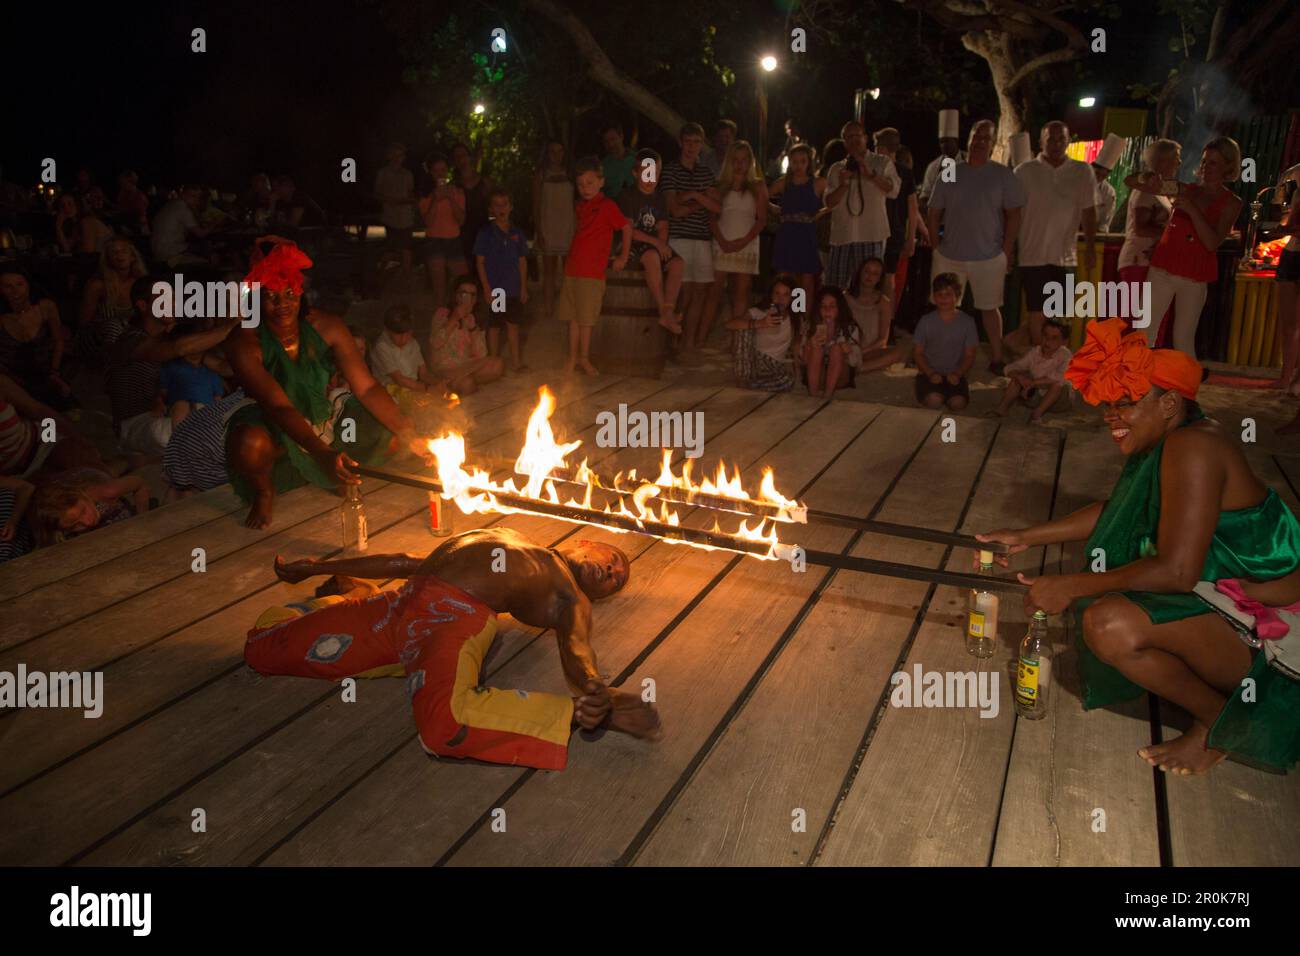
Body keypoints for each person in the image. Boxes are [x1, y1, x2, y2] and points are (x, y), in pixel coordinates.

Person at [978, 318, 1300, 774]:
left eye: (1126, 403)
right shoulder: (1175, 436)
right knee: (1110, 613)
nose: (1111, 416)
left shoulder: (1194, 447)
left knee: (1107, 623)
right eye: (1109, 403)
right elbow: (1123, 510)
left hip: (1280, 635)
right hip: (1232, 604)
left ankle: (1219, 724)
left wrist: (1069, 585)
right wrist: (1023, 536)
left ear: (1169, 403)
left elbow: (1177, 572)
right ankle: (1218, 705)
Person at [259, 527, 659, 771]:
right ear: (584, 541)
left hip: (452, 619)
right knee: (263, 647)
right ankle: (351, 595)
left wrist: (593, 689)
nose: (611, 571)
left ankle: (566, 716)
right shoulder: (507, 536)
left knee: (444, 724)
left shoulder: (570, 596)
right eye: (613, 560)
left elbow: (575, 643)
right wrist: (321, 568)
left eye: (614, 579)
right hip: (400, 605)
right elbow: (404, 561)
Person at [224, 239, 430, 529]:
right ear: (257, 299)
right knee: (248, 444)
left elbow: (367, 388)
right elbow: (279, 406)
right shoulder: (244, 342)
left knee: (390, 425)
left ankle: (339, 469)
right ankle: (264, 490)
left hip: (322, 412)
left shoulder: (327, 325)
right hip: (274, 421)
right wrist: (321, 453)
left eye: (289, 294)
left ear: (300, 291)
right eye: (271, 297)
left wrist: (410, 434)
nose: (282, 304)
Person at [926, 119, 1025, 374]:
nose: (979, 141)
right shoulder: (950, 171)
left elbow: (1014, 214)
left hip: (989, 255)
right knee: (945, 306)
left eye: (986, 138)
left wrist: (1006, 249)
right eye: (976, 136)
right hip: (949, 255)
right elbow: (934, 210)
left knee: (990, 308)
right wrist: (936, 245)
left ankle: (996, 355)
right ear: (968, 139)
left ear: (992, 145)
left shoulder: (1003, 175)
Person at [1130, 136, 1244, 357]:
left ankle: (1184, 389)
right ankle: (1137, 384)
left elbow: (1212, 242)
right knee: (1144, 330)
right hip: (1163, 267)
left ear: (1227, 167)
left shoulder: (1231, 202)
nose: (1205, 167)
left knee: (1182, 337)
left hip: (1195, 274)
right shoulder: (1183, 189)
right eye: (1204, 161)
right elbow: (1131, 181)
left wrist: (1192, 211)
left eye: (1213, 163)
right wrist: (1150, 178)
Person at [107, 275, 239, 457]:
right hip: (138, 423)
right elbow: (180, 348)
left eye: (174, 298)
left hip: (178, 414)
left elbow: (225, 368)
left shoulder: (175, 338)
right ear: (143, 305)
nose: (173, 303)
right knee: (171, 432)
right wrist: (229, 327)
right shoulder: (130, 339)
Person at [1006, 121, 1098, 356]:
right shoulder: (1023, 172)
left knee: (1058, 313)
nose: (1056, 144)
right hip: (1032, 253)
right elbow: (1013, 213)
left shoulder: (1082, 171)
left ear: (1068, 142)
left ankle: (1023, 343)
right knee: (1037, 311)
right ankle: (1043, 359)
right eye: (1051, 139)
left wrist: (1089, 247)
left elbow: (1089, 212)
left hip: (1065, 255)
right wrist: (1009, 247)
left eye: (1060, 139)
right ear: (1041, 142)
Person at [557, 156, 632, 376]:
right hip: (572, 270)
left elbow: (626, 228)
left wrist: (623, 256)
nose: (585, 188)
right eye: (580, 184)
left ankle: (585, 359)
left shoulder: (608, 206)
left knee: (586, 320)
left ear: (601, 182)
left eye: (590, 182)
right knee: (572, 318)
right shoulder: (581, 207)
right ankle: (572, 359)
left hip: (592, 274)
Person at [661, 123, 723, 364]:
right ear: (680, 142)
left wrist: (692, 196)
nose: (691, 147)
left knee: (700, 291)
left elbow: (718, 207)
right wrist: (701, 198)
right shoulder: (670, 171)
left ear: (702, 144)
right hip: (680, 237)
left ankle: (687, 343)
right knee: (683, 293)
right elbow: (674, 209)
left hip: (702, 238)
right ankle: (672, 342)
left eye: (696, 142)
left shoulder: (706, 173)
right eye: (688, 142)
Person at [823, 120, 901, 293]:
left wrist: (871, 175)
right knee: (837, 288)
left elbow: (894, 190)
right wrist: (843, 185)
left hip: (871, 234)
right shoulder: (837, 169)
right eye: (848, 137)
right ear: (844, 141)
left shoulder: (881, 163)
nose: (854, 140)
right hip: (843, 237)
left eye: (857, 136)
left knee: (868, 289)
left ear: (865, 138)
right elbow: (828, 202)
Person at [1116, 139, 1181, 334]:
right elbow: (1141, 228)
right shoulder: (1145, 191)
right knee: (1137, 316)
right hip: (1139, 259)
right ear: (1162, 161)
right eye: (1176, 159)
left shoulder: (1163, 189)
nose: (1179, 164)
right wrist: (1171, 233)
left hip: (1152, 261)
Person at [618, 147, 684, 334]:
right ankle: (663, 309)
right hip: (633, 243)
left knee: (678, 263)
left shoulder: (660, 198)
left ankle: (668, 311)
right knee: (652, 257)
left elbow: (663, 226)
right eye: (645, 173)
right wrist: (657, 244)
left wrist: (662, 245)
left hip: (654, 244)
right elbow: (629, 230)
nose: (650, 179)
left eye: (654, 174)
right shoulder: (627, 196)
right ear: (635, 173)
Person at [709, 141, 768, 337]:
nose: (739, 164)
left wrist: (743, 241)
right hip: (722, 242)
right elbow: (711, 218)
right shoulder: (720, 186)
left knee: (741, 293)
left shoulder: (758, 186)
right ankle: (703, 335)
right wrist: (723, 241)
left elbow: (762, 219)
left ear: (750, 162)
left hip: (747, 243)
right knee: (714, 291)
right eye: (735, 160)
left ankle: (738, 339)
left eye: (744, 160)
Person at [473, 188, 530, 368]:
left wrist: (523, 287)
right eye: (496, 205)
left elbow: (522, 262)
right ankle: (493, 362)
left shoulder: (517, 233)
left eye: (504, 204)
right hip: (497, 289)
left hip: (513, 288)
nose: (501, 208)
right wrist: (486, 287)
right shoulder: (486, 233)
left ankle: (516, 362)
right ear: (491, 209)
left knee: (513, 325)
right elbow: (480, 262)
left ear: (511, 207)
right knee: (495, 326)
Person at [0, 268, 73, 409]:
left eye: (19, 284)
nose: (15, 290)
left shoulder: (45, 307)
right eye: (7, 286)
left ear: (28, 285)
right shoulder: (2, 319)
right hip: (13, 376)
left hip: (45, 370)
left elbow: (59, 340)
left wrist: (55, 371)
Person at [873, 127, 926, 304]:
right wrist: (911, 237)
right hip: (890, 230)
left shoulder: (896, 172)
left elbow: (912, 208)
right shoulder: (903, 172)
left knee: (887, 277)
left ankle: (886, 320)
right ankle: (887, 321)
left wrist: (911, 238)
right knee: (888, 276)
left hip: (889, 229)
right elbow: (913, 208)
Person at [75, 237, 147, 366]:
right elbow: (84, 322)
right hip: (98, 340)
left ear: (132, 257)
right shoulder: (98, 285)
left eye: (124, 251)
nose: (119, 255)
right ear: (108, 259)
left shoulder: (140, 282)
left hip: (130, 338)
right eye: (114, 252)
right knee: (113, 325)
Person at [768, 143, 825, 305]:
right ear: (790, 162)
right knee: (786, 278)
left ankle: (801, 316)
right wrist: (776, 210)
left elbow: (834, 202)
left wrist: (821, 213)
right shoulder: (783, 183)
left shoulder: (817, 183)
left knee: (806, 278)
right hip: (787, 234)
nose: (798, 165)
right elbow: (762, 196)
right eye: (794, 161)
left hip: (806, 235)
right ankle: (785, 314)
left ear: (809, 162)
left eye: (802, 161)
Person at [32, 466, 149, 545]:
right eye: (74, 526)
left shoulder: (107, 492)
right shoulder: (53, 533)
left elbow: (139, 483)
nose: (87, 522)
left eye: (83, 511)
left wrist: (142, 518)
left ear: (80, 494)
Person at [913, 272, 978, 411]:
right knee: (934, 400)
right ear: (933, 297)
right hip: (929, 373)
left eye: (948, 294)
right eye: (939, 294)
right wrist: (930, 373)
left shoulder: (968, 322)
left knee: (958, 403)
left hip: (955, 374)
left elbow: (970, 355)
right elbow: (918, 353)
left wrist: (958, 373)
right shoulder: (926, 321)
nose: (943, 298)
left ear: (957, 296)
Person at [430, 276, 505, 393]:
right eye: (464, 294)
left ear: (475, 299)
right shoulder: (442, 314)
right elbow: (435, 343)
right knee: (467, 384)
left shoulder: (472, 317)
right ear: (456, 296)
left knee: (497, 365)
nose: (468, 299)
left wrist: (473, 329)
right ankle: (459, 383)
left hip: (466, 365)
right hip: (446, 367)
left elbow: (482, 354)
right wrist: (454, 318)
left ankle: (460, 382)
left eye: (472, 295)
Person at [991, 316, 1073, 422]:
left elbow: (1061, 377)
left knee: (1057, 384)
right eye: (1045, 335)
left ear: (1064, 341)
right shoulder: (1036, 352)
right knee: (1018, 378)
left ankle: (1036, 414)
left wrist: (1034, 383)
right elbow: (1012, 367)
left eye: (1054, 338)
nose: (1047, 341)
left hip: (1059, 400)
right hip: (1037, 395)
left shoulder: (1065, 355)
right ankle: (1002, 409)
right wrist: (1019, 376)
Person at [727, 274, 796, 392]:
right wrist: (760, 323)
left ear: (791, 298)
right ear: (771, 296)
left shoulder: (795, 319)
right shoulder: (758, 312)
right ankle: (743, 380)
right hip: (752, 361)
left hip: (773, 365)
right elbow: (730, 324)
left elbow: (797, 348)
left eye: (786, 294)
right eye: (777, 294)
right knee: (743, 329)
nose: (781, 299)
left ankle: (750, 387)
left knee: (788, 380)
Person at [533, 140, 575, 323]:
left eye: (559, 151)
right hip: (548, 226)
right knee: (549, 271)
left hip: (568, 226)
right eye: (552, 151)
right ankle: (548, 307)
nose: (556, 155)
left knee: (568, 271)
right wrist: (538, 230)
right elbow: (535, 204)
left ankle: (567, 307)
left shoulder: (571, 174)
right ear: (547, 153)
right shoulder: (541, 174)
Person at [369, 304, 439, 413]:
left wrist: (437, 384)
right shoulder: (382, 347)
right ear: (387, 330)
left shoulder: (413, 343)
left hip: (413, 388)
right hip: (389, 392)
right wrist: (427, 389)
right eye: (398, 335)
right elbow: (399, 379)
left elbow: (423, 373)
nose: (404, 339)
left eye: (408, 334)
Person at [418, 153, 466, 312]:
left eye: (443, 170)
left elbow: (461, 220)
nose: (440, 174)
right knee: (439, 288)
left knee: (461, 283)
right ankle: (440, 324)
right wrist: (435, 200)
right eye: (436, 170)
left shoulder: (457, 191)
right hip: (434, 241)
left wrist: (450, 198)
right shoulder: (426, 194)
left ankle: (461, 319)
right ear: (431, 173)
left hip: (454, 240)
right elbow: (428, 222)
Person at [799, 286, 860, 401]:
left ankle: (828, 396)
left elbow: (856, 363)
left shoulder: (849, 328)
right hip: (817, 376)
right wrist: (809, 346)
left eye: (832, 306)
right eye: (823, 306)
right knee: (816, 348)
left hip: (839, 376)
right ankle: (812, 396)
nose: (827, 310)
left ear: (839, 308)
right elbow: (803, 361)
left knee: (836, 349)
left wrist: (848, 351)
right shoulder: (810, 326)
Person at [846, 257, 905, 373]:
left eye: (875, 274)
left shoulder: (883, 302)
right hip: (848, 348)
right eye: (867, 271)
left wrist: (862, 351)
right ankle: (848, 366)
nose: (870, 276)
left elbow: (883, 339)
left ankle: (858, 369)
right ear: (860, 273)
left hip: (870, 350)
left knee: (897, 353)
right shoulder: (846, 297)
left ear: (879, 278)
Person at [1274, 162, 1300, 401]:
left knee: (1292, 324)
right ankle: (1287, 377)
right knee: (1289, 323)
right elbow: (1288, 218)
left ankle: (1291, 378)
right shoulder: (1293, 174)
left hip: (1293, 250)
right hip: (1292, 251)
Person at [374, 144, 417, 282]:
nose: (398, 158)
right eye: (395, 155)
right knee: (389, 248)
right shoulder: (383, 173)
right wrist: (389, 200)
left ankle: (407, 278)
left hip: (405, 217)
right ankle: (381, 277)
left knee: (406, 248)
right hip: (390, 217)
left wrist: (410, 201)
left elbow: (411, 193)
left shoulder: (407, 174)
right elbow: (377, 193)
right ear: (390, 156)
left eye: (401, 155)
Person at [450, 143, 494, 269]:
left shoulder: (485, 182)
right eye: (457, 156)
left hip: (482, 232)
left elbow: (495, 206)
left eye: (463, 155)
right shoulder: (453, 186)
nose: (460, 159)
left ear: (469, 157)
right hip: (461, 235)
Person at [150, 185, 213, 268]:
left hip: (158, 250)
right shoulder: (183, 208)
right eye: (193, 196)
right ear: (183, 194)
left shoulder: (172, 204)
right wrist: (214, 225)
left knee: (199, 249)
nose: (196, 200)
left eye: (198, 197)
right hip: (168, 253)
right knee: (207, 262)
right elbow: (200, 233)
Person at [918, 109, 966, 213]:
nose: (943, 145)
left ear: (956, 141)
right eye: (941, 142)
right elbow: (925, 196)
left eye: (947, 141)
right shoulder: (933, 167)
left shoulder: (968, 161)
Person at [600, 123, 636, 200]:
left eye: (613, 139)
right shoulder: (602, 166)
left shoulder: (637, 159)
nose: (610, 144)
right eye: (606, 141)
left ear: (621, 136)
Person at [115, 170, 151, 235]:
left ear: (130, 182)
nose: (121, 185)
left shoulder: (139, 197)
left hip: (135, 231)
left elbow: (142, 218)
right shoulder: (123, 194)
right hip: (126, 228)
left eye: (123, 183)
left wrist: (143, 233)